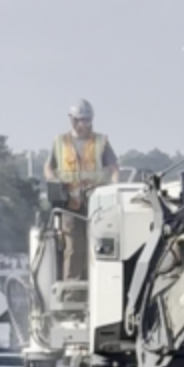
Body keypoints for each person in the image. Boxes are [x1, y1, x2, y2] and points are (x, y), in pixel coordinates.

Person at [44, 99, 119, 280]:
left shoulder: (101, 141)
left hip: (96, 204)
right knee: (73, 248)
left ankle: (98, 283)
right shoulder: (60, 142)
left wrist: (116, 189)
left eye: (86, 120)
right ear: (71, 119)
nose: (82, 124)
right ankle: (72, 289)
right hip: (70, 205)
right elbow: (49, 167)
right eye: (78, 120)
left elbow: (113, 167)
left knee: (99, 245)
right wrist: (54, 181)